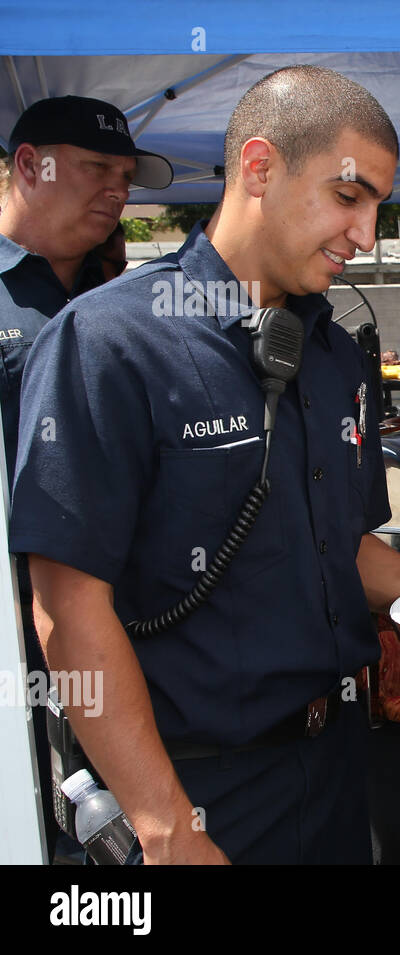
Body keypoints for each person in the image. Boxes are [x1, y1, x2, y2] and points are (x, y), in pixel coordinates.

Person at [9, 66, 400, 865]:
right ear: (259, 168)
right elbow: (67, 602)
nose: (365, 235)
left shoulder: (330, 353)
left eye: (377, 206)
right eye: (349, 196)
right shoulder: (107, 343)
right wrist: (165, 825)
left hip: (340, 771)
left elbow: (344, 543)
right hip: (197, 794)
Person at [1, 95, 173, 861]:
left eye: (128, 176)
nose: (118, 191)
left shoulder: (123, 304)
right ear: (27, 166)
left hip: (144, 638)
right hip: (27, 645)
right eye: (98, 168)